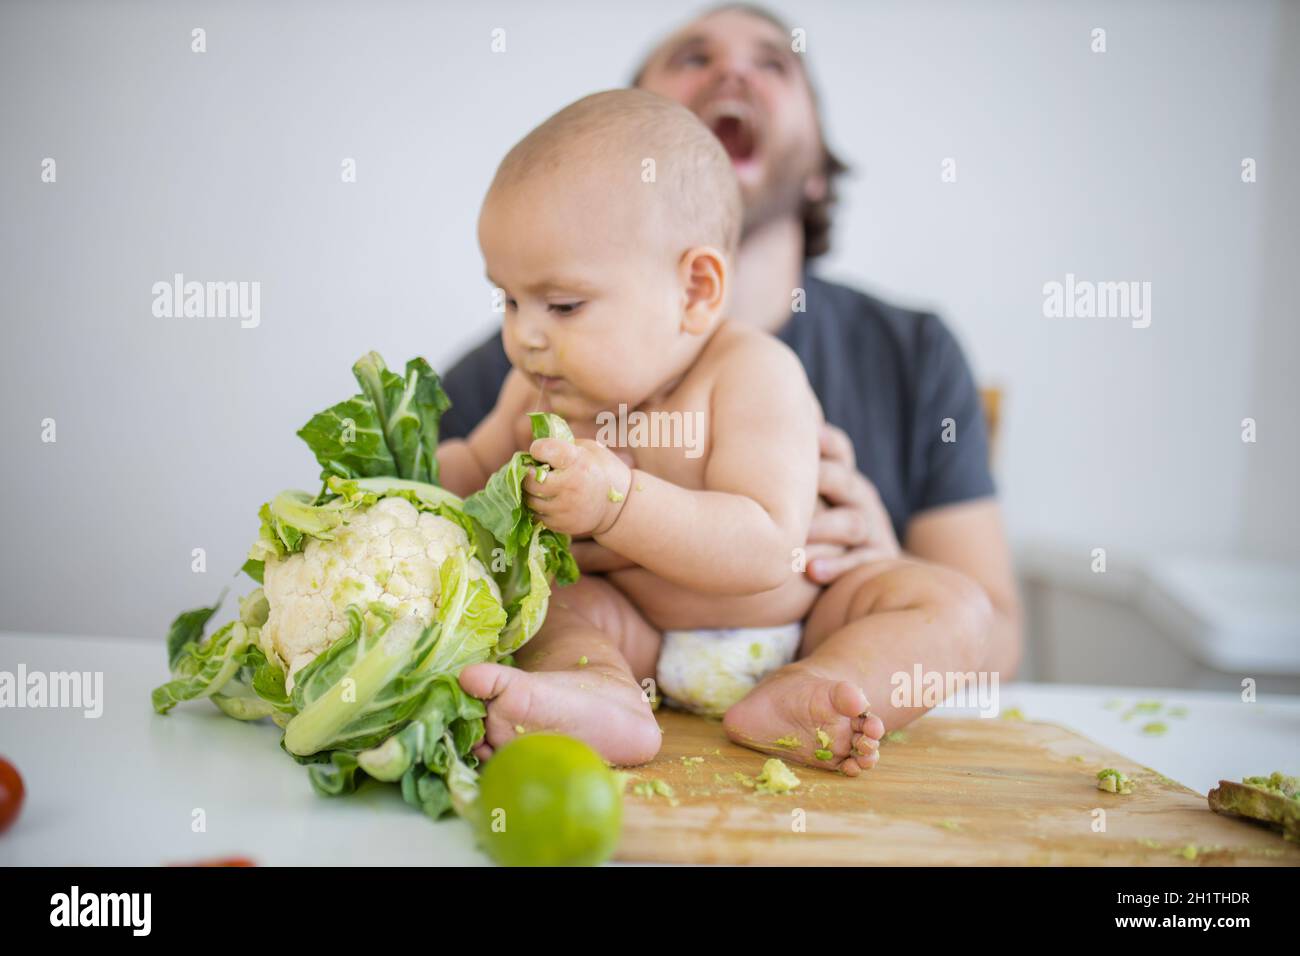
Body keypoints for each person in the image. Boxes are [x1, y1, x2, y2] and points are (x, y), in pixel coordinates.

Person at [442, 4, 1020, 740]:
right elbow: (467, 471)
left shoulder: (755, 372)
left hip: (804, 627)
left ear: (696, 290)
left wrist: (616, 504)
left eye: (560, 303)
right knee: (555, 605)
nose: (524, 334)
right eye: (509, 300)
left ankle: (810, 695)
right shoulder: (533, 381)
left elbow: (769, 544)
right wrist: (409, 491)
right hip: (638, 637)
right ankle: (607, 699)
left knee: (953, 607)